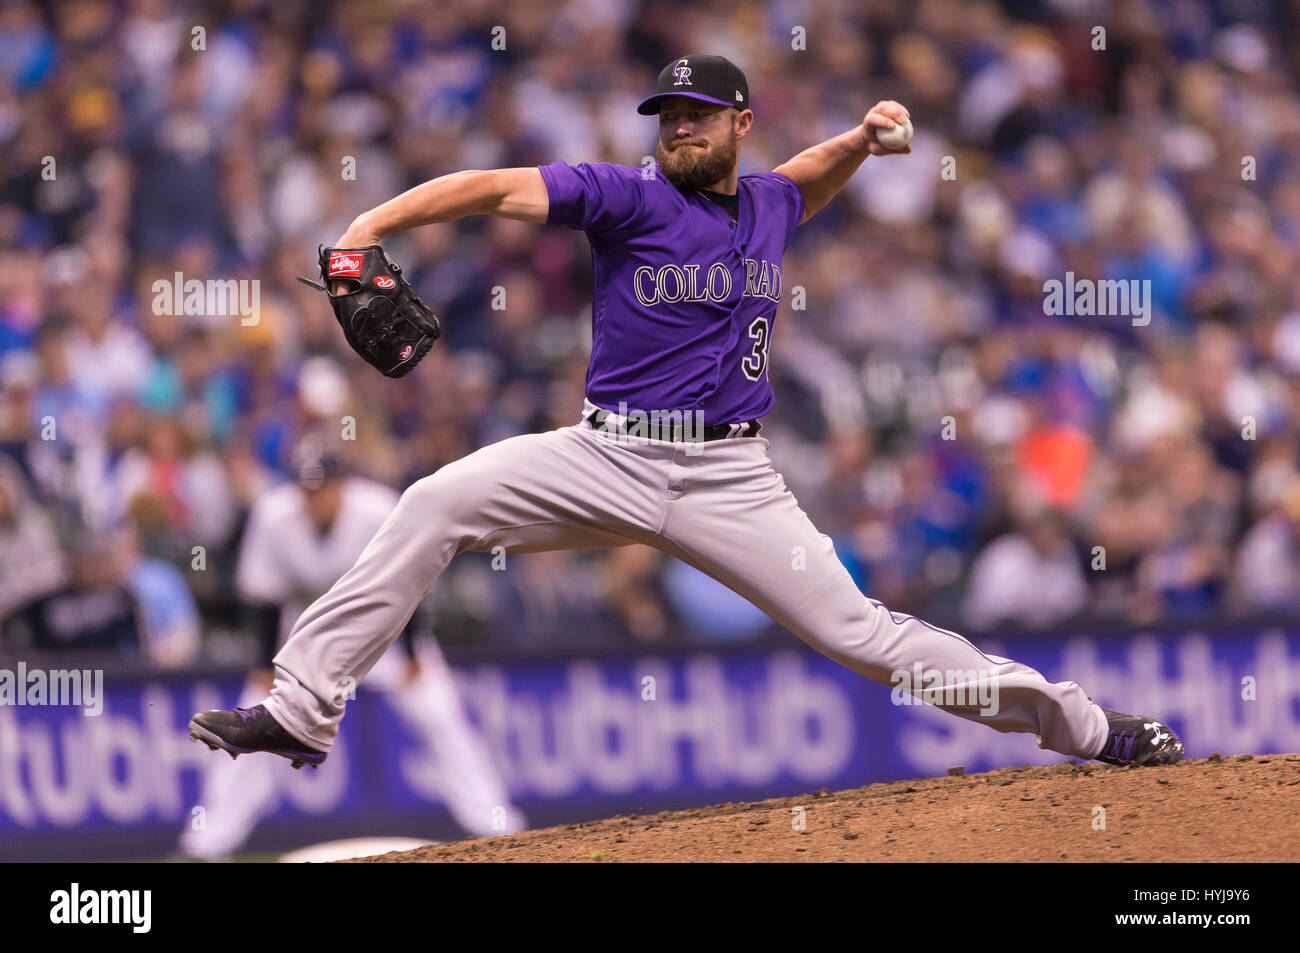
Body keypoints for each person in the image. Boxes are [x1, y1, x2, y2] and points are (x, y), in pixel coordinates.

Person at [191, 55, 1183, 775]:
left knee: (866, 639)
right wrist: (368, 225)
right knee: (432, 502)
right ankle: (303, 708)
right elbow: (492, 188)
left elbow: (807, 182)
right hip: (606, 451)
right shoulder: (623, 197)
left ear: (740, 123)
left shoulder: (768, 206)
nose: (677, 129)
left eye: (697, 116)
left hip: (730, 477)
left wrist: (862, 139)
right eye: (666, 115)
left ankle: (1089, 730)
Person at [183, 437, 523, 857]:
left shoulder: (378, 508)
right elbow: (265, 599)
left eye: (323, 486)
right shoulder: (274, 515)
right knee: (256, 723)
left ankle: (499, 826)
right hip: (309, 638)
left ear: (342, 484)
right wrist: (263, 666)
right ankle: (206, 843)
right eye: (307, 489)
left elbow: (414, 579)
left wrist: (414, 655)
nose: (315, 497)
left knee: (439, 715)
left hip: (386, 633)